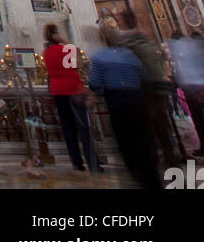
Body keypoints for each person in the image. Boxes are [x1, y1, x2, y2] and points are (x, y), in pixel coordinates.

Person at [88, 25, 161, 189]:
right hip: (137, 99)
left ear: (102, 40)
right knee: (143, 138)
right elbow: (145, 79)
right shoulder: (131, 56)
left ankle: (135, 174)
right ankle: (151, 176)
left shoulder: (100, 57)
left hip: (117, 101)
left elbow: (95, 83)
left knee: (125, 139)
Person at [115, 12, 182, 168]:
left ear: (124, 21)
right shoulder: (145, 39)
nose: (117, 22)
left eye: (119, 20)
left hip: (144, 89)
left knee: (150, 126)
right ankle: (169, 156)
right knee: (161, 126)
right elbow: (159, 58)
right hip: (155, 87)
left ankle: (158, 159)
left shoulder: (127, 42)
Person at [42, 25, 98, 173]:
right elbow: (78, 62)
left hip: (57, 91)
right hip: (72, 90)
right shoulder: (62, 50)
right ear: (55, 35)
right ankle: (92, 162)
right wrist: (66, 42)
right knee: (83, 126)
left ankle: (76, 162)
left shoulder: (46, 52)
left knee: (68, 128)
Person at [168, 32, 204, 154]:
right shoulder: (195, 45)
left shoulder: (179, 48)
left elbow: (182, 70)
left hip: (192, 88)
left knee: (199, 119)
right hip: (199, 86)